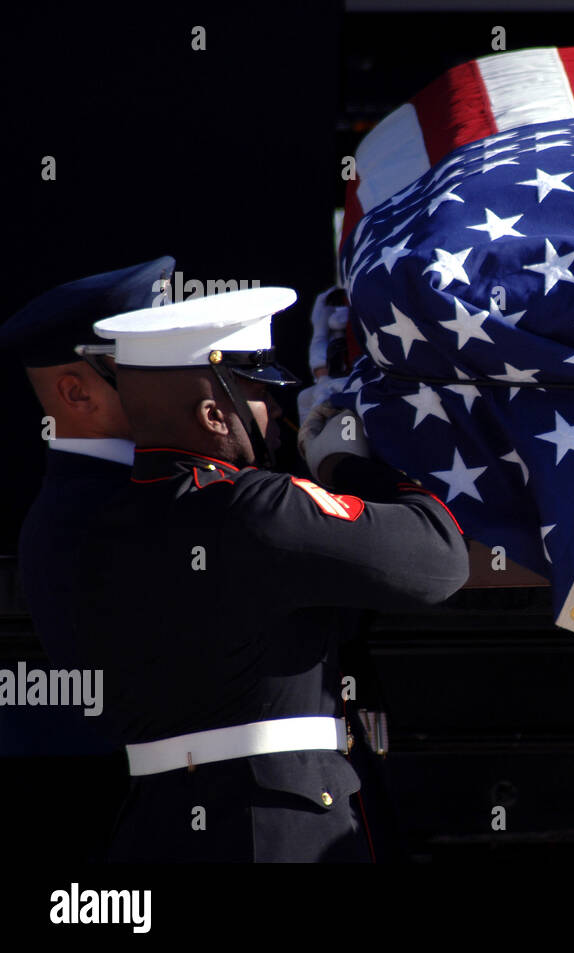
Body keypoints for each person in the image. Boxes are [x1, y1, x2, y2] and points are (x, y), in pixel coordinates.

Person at [71, 285, 469, 862]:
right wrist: (346, 463)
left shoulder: (98, 523)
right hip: (277, 827)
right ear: (213, 415)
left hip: (153, 823)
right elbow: (439, 560)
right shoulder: (257, 508)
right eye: (260, 393)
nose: (277, 410)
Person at [0, 256, 174, 863]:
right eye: (150, 364)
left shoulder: (152, 487)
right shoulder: (102, 509)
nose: (177, 377)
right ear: (76, 390)